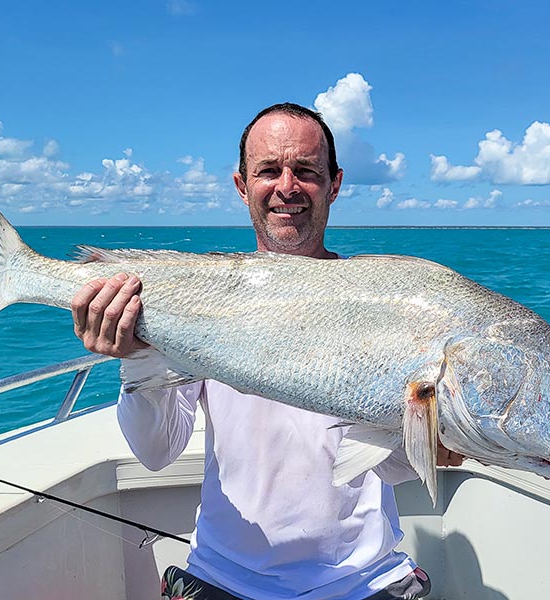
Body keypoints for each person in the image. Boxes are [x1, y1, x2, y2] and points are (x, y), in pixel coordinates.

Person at [71, 103, 463, 599]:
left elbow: (383, 468)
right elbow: (156, 452)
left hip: (365, 581)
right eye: (268, 170)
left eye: (305, 171)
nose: (287, 186)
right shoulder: (203, 296)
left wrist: (433, 439)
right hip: (221, 576)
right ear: (241, 185)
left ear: (335, 183)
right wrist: (135, 360)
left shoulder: (382, 302)